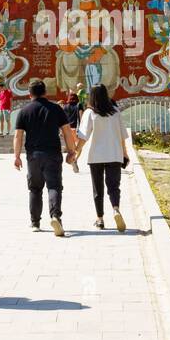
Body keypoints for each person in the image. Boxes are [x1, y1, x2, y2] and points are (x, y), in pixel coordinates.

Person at [14, 80, 79, 236]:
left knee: (35, 188)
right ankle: (55, 216)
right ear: (45, 92)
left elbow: (18, 136)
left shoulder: (24, 111)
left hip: (33, 156)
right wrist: (71, 151)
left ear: (30, 94)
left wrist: (16, 156)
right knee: (54, 186)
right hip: (52, 154)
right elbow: (67, 131)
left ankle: (35, 222)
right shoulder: (56, 108)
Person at [72, 84, 129, 232]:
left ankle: (100, 219)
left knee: (98, 189)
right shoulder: (115, 112)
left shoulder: (90, 113)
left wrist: (75, 153)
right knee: (114, 186)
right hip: (114, 154)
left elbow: (83, 137)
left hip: (96, 155)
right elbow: (122, 136)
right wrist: (125, 153)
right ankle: (116, 209)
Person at [62, 90, 82, 173]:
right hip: (75, 129)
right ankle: (75, 159)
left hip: (67, 130)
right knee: (79, 147)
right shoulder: (79, 105)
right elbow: (81, 117)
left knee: (71, 148)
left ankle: (73, 159)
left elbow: (63, 119)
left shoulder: (65, 107)